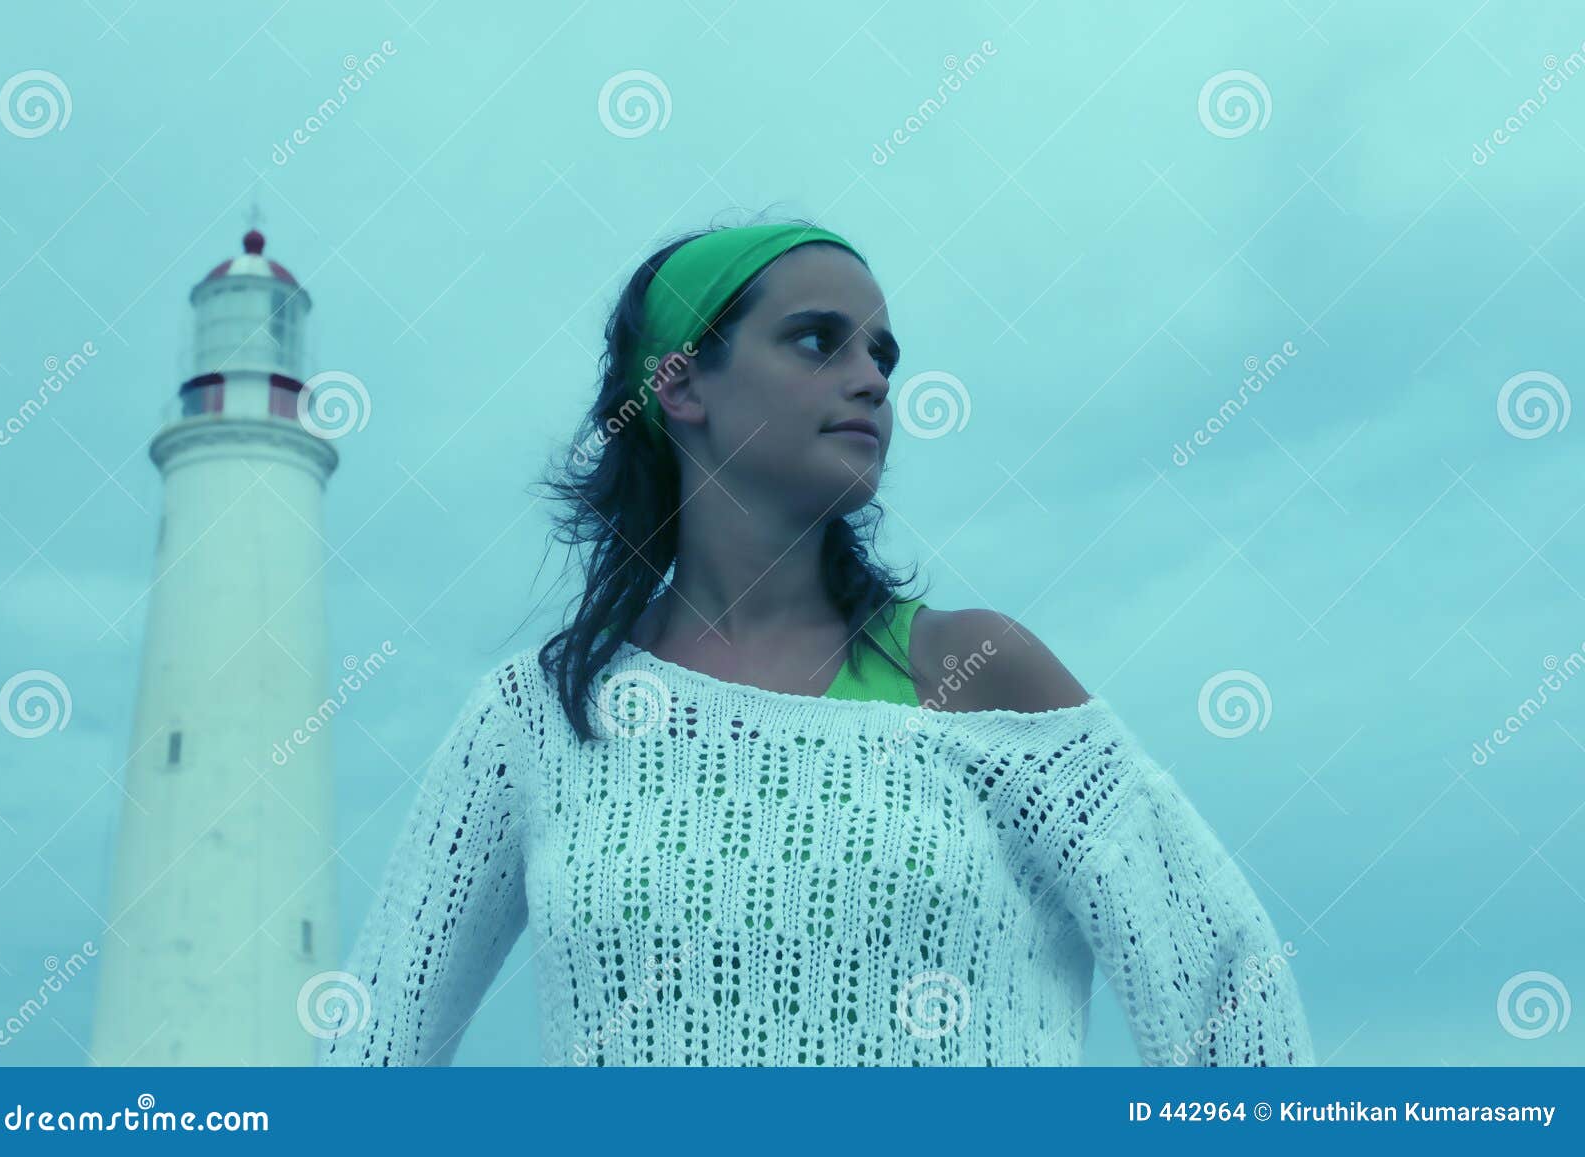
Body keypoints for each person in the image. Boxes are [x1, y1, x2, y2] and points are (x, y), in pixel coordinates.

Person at [319, 217, 1316, 1067]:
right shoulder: (536, 717)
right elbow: (370, 1055)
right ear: (679, 385)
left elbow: (1227, 991)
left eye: (881, 354)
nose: (872, 380)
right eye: (816, 341)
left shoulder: (972, 674)